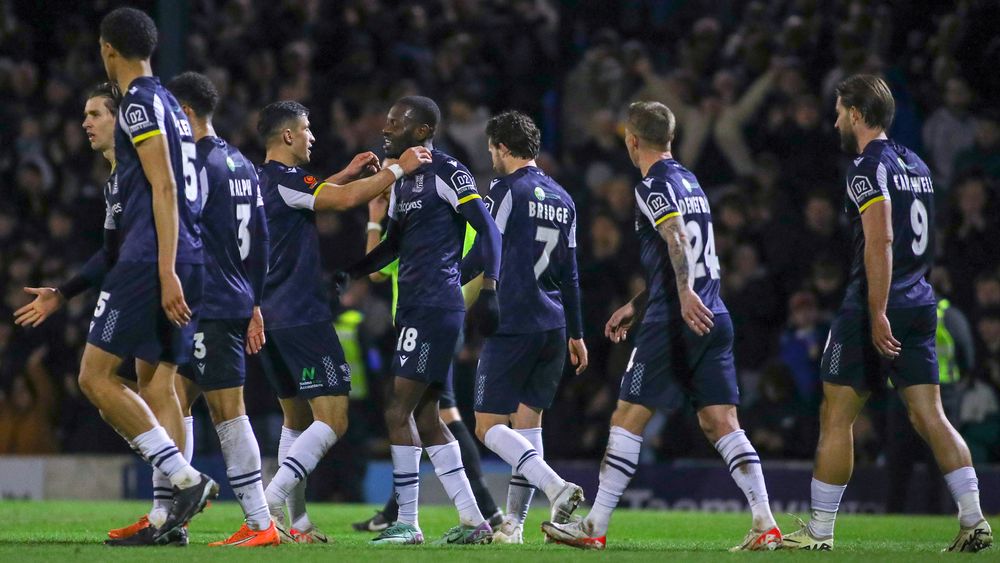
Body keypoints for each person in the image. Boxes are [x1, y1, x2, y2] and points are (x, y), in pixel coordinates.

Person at [542, 101, 781, 551]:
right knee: (720, 422)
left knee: (626, 418)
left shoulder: (651, 186)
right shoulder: (691, 181)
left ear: (633, 140)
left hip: (675, 318)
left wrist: (683, 294)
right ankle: (765, 522)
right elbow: (681, 253)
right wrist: (637, 302)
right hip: (714, 314)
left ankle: (594, 527)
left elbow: (678, 238)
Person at [20, 8, 218, 546]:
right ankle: (165, 520)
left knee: (93, 376)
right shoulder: (172, 109)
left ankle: (184, 478)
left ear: (108, 50)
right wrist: (65, 292)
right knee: (159, 384)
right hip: (179, 257)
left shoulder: (139, 104)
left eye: (92, 114)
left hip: (154, 258)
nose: (87, 123)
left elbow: (165, 189)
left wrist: (165, 270)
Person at [782, 74, 992, 553]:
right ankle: (974, 519)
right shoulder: (916, 164)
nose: (835, 119)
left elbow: (882, 239)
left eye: (838, 111)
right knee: (931, 415)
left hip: (874, 304)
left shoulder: (865, 167)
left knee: (836, 415)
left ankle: (819, 532)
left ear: (856, 114)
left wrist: (877, 310)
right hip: (920, 301)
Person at [255, 99, 431, 543]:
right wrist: (398, 169)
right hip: (300, 315)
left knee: (295, 423)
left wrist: (346, 173)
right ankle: (265, 508)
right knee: (334, 419)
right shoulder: (289, 178)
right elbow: (345, 200)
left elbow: (314, 196)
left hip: (270, 317)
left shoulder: (263, 181)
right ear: (289, 136)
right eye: (307, 128)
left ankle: (297, 525)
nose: (313, 136)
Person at [346, 96, 502, 545]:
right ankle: (475, 522)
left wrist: (488, 290)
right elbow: (392, 245)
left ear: (421, 131)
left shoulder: (448, 173)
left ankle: (408, 523)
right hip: (415, 307)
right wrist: (350, 272)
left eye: (395, 123)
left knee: (398, 410)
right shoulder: (403, 181)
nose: (386, 128)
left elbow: (488, 230)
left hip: (435, 306)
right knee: (429, 418)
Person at [463, 110, 589, 544]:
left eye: (491, 149)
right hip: (554, 326)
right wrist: (577, 332)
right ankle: (513, 527)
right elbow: (571, 273)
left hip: (515, 321)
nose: (490, 157)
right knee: (527, 427)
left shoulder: (505, 189)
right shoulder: (564, 198)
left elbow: (486, 247)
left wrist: (446, 279)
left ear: (501, 146)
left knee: (487, 426)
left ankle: (556, 487)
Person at [166, 71, 277, 546]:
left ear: (186, 112)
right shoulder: (242, 164)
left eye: (172, 114)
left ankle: (259, 522)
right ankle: (171, 516)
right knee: (172, 397)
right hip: (229, 297)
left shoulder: (195, 164)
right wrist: (254, 301)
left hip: (208, 300)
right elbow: (262, 243)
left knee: (229, 412)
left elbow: (183, 233)